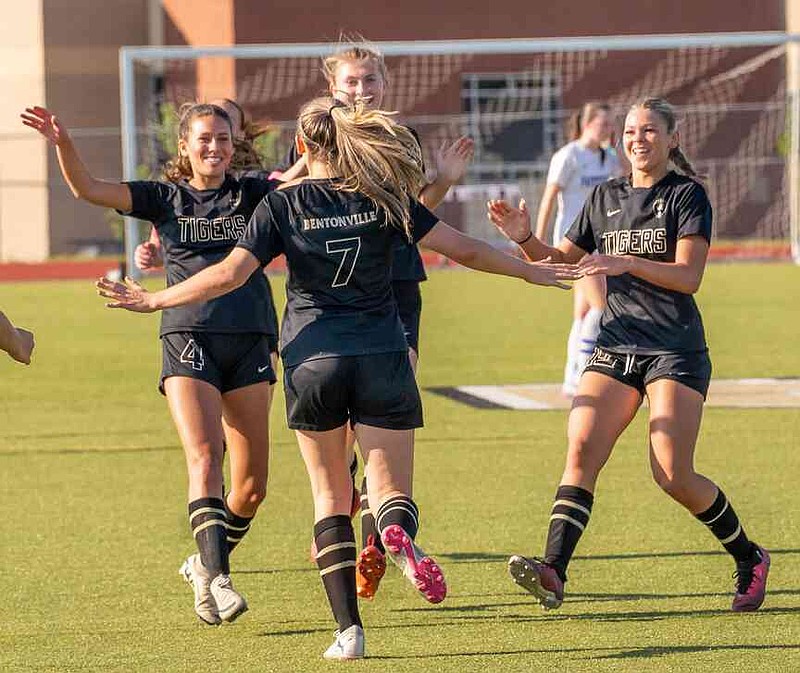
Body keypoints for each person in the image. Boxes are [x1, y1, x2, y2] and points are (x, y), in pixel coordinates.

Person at [96, 97, 576, 659]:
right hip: (382, 352)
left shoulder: (282, 205)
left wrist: (155, 301)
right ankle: (396, 531)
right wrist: (531, 270)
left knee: (331, 494)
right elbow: (464, 248)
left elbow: (228, 274)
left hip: (312, 358)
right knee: (388, 489)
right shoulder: (384, 197)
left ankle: (348, 633)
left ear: (301, 149)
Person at [487, 96, 769, 614]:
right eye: (631, 132)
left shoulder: (687, 196)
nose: (638, 140)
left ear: (672, 138)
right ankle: (553, 572)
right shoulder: (603, 196)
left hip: (673, 349)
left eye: (650, 131)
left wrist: (627, 262)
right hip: (615, 343)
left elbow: (689, 277)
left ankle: (750, 557)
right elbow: (563, 265)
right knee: (581, 451)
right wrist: (525, 238)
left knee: (672, 474)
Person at [22, 102, 280, 625]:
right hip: (187, 336)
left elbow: (305, 183)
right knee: (205, 456)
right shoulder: (165, 197)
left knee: (251, 489)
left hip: (251, 338)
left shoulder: (255, 193)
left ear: (235, 144)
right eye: (204, 139)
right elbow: (90, 188)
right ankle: (220, 576)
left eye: (223, 139)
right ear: (184, 146)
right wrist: (62, 144)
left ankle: (204, 563)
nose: (215, 147)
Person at [276, 40, 474, 599]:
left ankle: (366, 537)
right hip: (339, 290)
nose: (361, 91)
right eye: (351, 82)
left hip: (395, 284)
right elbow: (289, 191)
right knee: (344, 430)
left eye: (369, 81)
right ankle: (367, 524)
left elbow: (411, 209)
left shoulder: (397, 138)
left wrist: (446, 180)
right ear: (332, 86)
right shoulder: (319, 134)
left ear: (384, 84)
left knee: (381, 409)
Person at [535, 102, 620, 396]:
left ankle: (572, 376)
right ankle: (584, 370)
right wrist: (538, 239)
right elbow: (549, 198)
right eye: (603, 124)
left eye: (611, 124)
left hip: (600, 240)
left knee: (583, 311)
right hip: (574, 241)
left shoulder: (608, 157)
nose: (608, 129)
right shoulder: (568, 156)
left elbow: (618, 193)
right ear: (587, 124)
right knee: (602, 305)